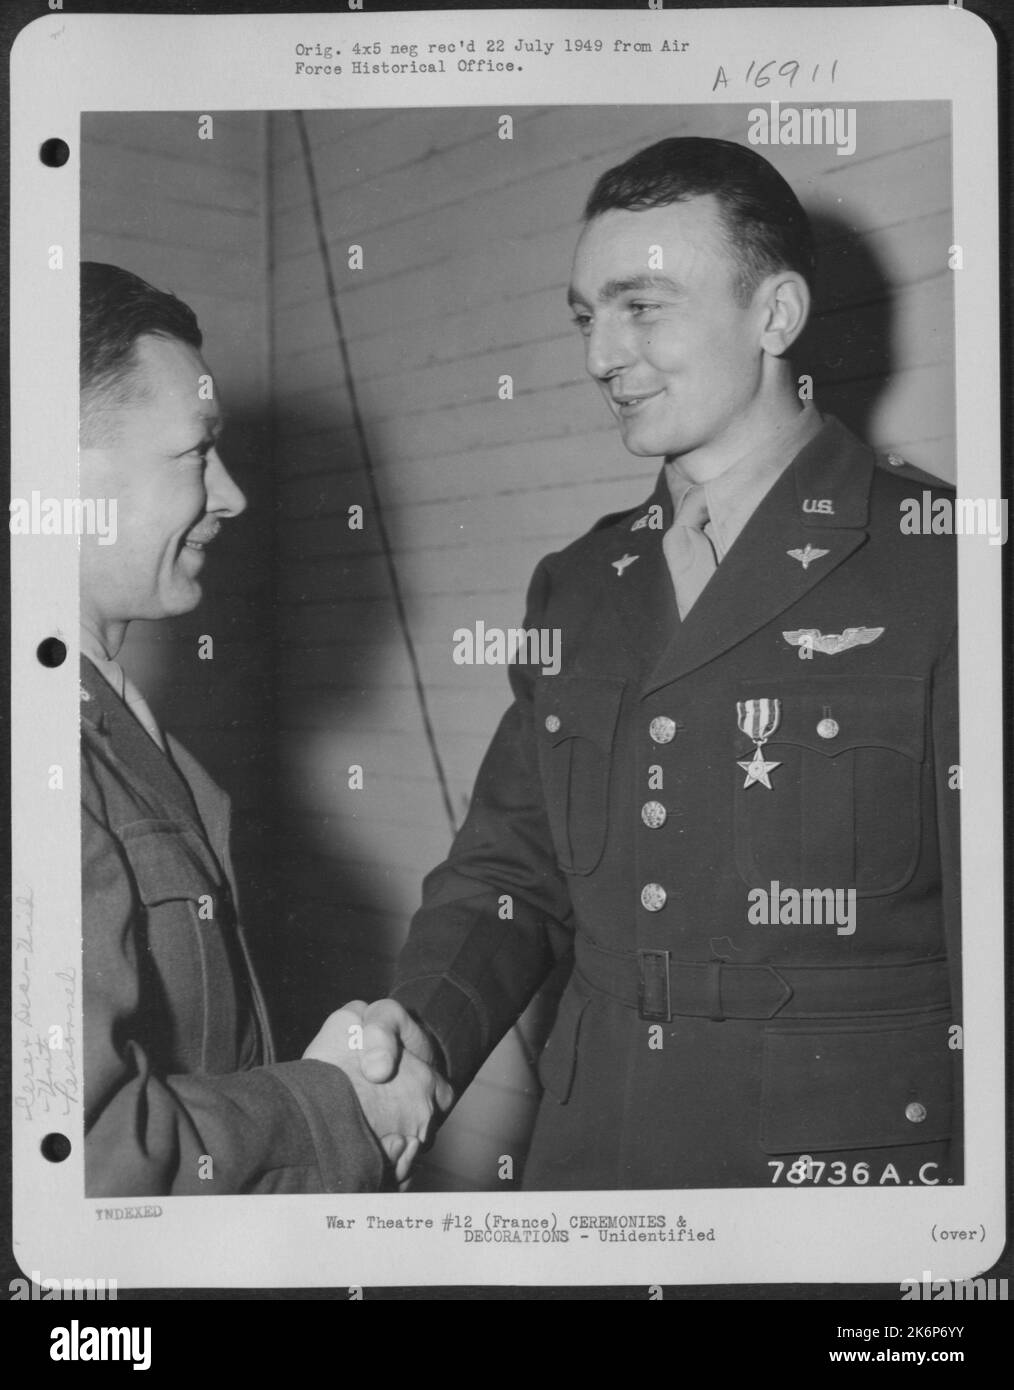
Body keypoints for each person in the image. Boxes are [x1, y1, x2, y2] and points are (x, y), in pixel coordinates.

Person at [355, 138, 961, 1189]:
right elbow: (512, 871)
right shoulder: (579, 585)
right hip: (595, 1157)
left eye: (642, 306)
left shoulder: (942, 562)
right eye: (586, 316)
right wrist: (424, 1031)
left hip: (836, 1180)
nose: (601, 355)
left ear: (775, 315)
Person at [79, 262, 450, 1196]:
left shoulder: (117, 724)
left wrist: (319, 1077)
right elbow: (94, 1157)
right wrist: (337, 1108)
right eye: (195, 454)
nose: (233, 495)